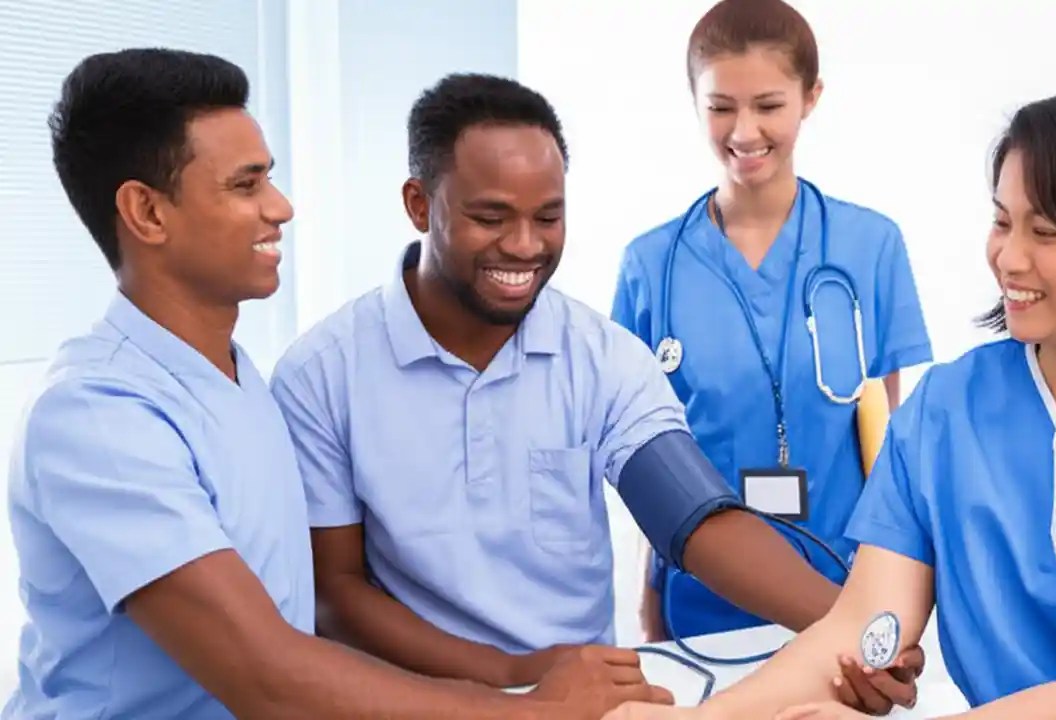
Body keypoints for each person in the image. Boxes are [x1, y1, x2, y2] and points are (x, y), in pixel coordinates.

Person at [4, 48, 670, 720]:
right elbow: (267, 675)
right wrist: (536, 708)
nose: (281, 207)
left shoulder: (237, 384)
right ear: (147, 214)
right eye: (246, 185)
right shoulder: (98, 416)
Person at [603, 84, 1056, 720]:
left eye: (1044, 233)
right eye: (1001, 221)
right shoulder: (948, 408)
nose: (1008, 258)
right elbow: (863, 620)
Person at [268, 71, 859, 697]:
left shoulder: (602, 358)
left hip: (584, 699)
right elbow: (334, 596)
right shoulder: (322, 374)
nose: (524, 246)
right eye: (490, 217)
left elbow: (694, 518)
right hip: (416, 700)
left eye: (548, 216)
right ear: (419, 204)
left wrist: (853, 629)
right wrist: (515, 677)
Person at [611, 0, 930, 707]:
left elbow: (889, 454)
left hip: (839, 606)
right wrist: (646, 601)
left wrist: (882, 614)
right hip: (697, 611)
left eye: (768, 105)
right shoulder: (650, 264)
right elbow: (639, 455)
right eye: (720, 106)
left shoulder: (869, 247)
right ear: (693, 102)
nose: (744, 131)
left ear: (811, 99)